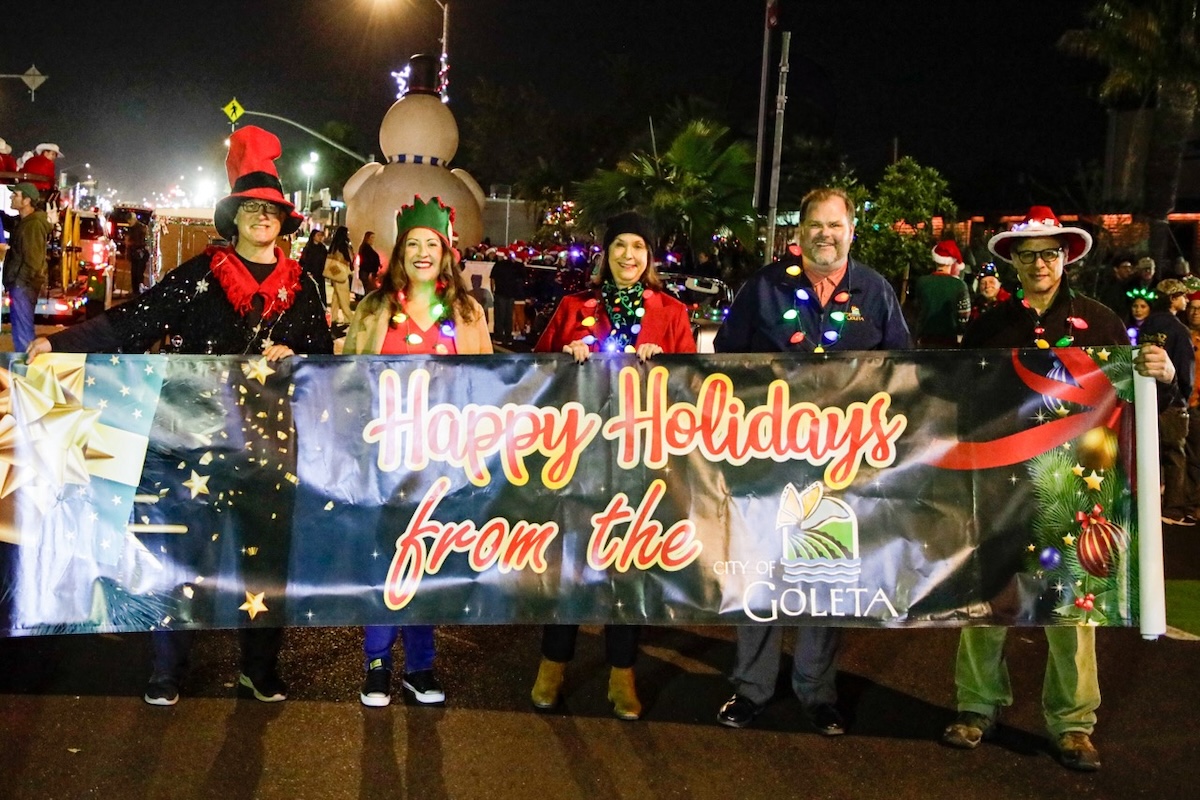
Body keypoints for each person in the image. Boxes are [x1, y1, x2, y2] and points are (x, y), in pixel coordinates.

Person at [27, 126, 333, 706]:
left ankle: (259, 668)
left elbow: (326, 363)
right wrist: (61, 345)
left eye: (270, 209)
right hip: (195, 443)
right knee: (181, 559)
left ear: (282, 220)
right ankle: (168, 668)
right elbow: (134, 321)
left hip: (270, 452)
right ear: (234, 217)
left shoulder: (307, 289)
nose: (261, 218)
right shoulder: (198, 278)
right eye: (251, 209)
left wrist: (301, 358)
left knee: (265, 565)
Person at [943, 205, 1177, 772]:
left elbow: (1136, 396)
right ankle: (976, 706)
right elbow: (962, 399)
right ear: (1014, 263)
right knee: (989, 597)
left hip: (1076, 488)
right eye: (1029, 256)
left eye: (1050, 253)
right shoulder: (990, 326)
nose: (1040, 263)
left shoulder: (1100, 321)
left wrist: (1163, 378)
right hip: (1000, 485)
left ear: (1065, 257)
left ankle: (1073, 724)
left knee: (1073, 605)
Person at [713, 187, 910, 736]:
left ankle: (817, 691)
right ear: (797, 233)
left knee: (825, 575)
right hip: (764, 460)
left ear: (851, 232)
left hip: (841, 469)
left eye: (835, 225)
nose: (825, 234)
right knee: (759, 575)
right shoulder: (763, 287)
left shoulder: (874, 292)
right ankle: (750, 688)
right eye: (815, 225)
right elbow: (724, 364)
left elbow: (904, 371)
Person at [530, 211, 696, 720]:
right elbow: (533, 374)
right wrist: (565, 352)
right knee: (569, 566)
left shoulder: (670, 312)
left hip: (640, 463)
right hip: (578, 459)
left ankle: (621, 674)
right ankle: (552, 666)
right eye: (620, 245)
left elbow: (693, 383)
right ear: (606, 252)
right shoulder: (575, 305)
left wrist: (664, 360)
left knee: (630, 570)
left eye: (638, 248)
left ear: (651, 258)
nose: (628, 255)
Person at [347, 196, 492, 708]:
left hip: (443, 464)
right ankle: (378, 664)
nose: (423, 252)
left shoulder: (468, 312)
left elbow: (488, 385)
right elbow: (346, 381)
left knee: (428, 561)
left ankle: (423, 665)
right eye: (414, 243)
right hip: (384, 461)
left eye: (432, 243)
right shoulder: (372, 310)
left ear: (447, 252)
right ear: (399, 252)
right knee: (386, 560)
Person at [1140, 279, 1194, 526]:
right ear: (1173, 299)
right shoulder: (1179, 329)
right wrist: (1185, 394)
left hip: (1148, 397)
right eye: (1183, 296)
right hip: (1173, 402)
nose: (1187, 300)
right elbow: (1185, 370)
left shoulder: (1148, 325)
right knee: (1175, 454)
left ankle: (1150, 502)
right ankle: (1174, 508)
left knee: (1151, 452)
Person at [2, 182, 52, 351]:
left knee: (23, 333)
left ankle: (27, 371)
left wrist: (18, 282)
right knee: (21, 329)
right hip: (22, 285)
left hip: (24, 286)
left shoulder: (33, 225)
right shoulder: (26, 221)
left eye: (15, 194)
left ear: (26, 201)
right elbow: (12, 223)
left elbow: (33, 261)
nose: (11, 197)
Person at [912, 240, 971, 347]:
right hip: (949, 341)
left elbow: (917, 310)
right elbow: (964, 317)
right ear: (953, 262)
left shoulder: (922, 282)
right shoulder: (960, 285)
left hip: (924, 340)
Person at [323, 225, 354, 328]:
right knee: (344, 297)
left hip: (335, 275)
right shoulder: (344, 246)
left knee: (336, 297)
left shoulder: (334, 245)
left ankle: (334, 317)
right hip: (342, 274)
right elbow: (349, 258)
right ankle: (348, 317)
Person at [298, 228, 328, 305]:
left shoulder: (323, 248)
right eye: (318, 235)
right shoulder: (308, 248)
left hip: (319, 274)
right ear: (313, 236)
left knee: (319, 294)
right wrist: (306, 272)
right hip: (309, 275)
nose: (320, 237)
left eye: (321, 235)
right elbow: (303, 261)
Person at [125, 214, 151, 298]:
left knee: (138, 273)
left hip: (141, 254)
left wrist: (131, 243)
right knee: (134, 273)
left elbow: (144, 241)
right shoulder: (131, 228)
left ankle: (139, 292)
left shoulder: (141, 228)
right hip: (134, 254)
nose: (129, 223)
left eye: (130, 221)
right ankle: (135, 291)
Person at [356, 231, 381, 298]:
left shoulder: (367, 248)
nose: (373, 240)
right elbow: (368, 261)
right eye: (372, 237)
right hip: (366, 272)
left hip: (366, 272)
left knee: (368, 289)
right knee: (368, 290)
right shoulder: (366, 248)